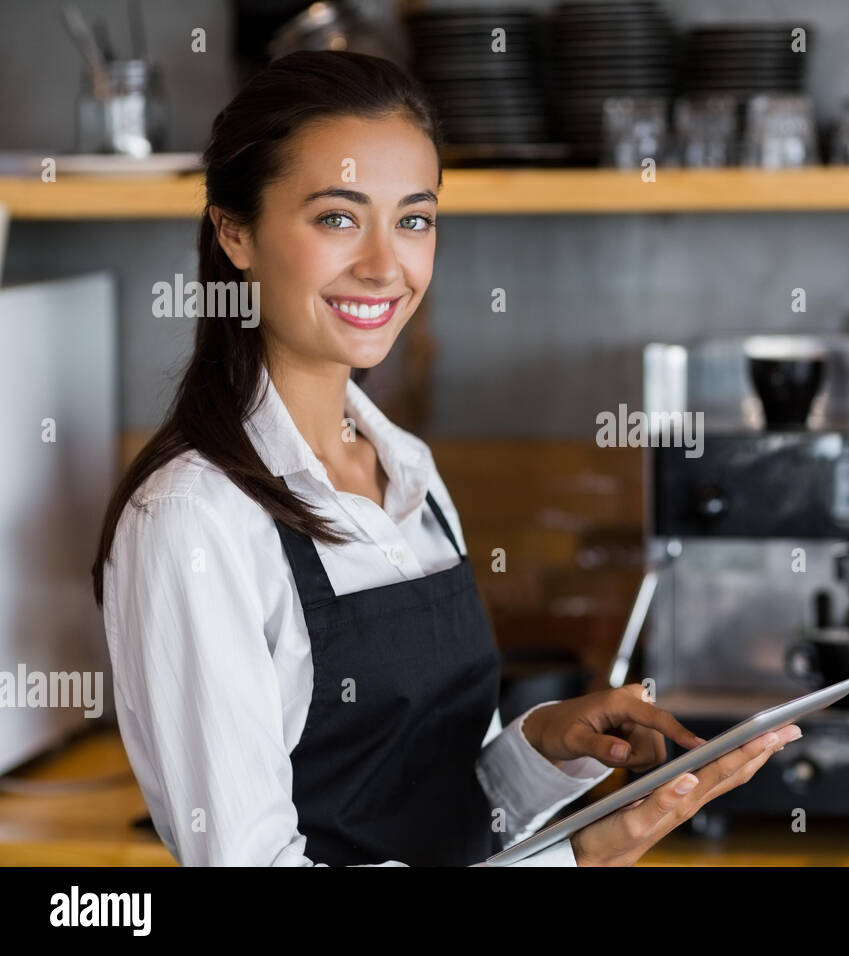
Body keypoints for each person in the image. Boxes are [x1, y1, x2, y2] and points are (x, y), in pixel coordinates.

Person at [90, 50, 799, 867]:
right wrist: (581, 858)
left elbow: (454, 810)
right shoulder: (193, 519)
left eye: (414, 220)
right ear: (235, 232)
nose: (386, 266)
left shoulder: (409, 472)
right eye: (337, 218)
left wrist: (548, 747)